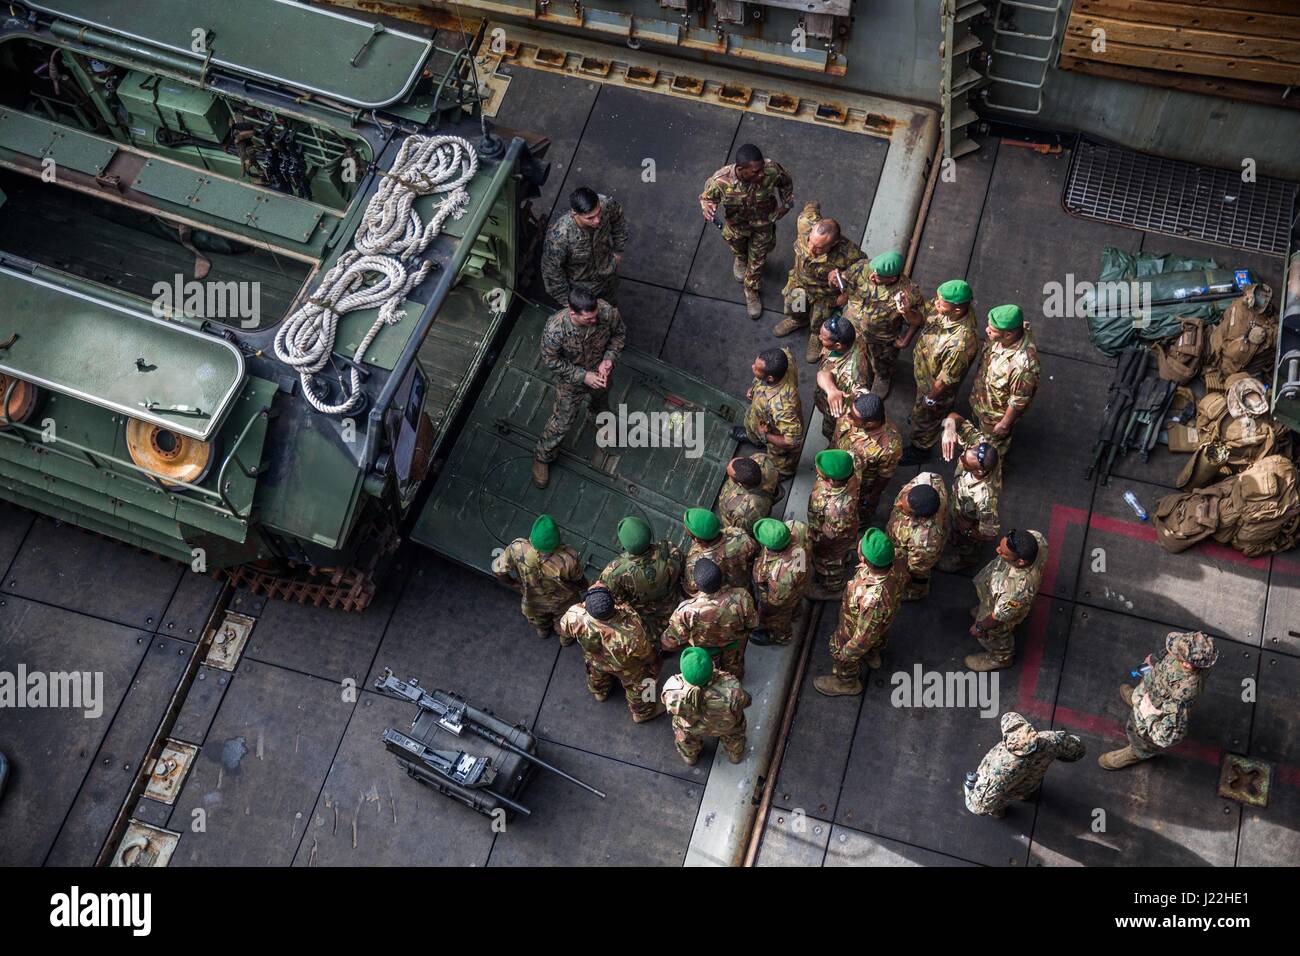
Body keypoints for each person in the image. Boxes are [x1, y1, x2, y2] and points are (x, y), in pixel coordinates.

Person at [533, 288, 626, 489]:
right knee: (562, 422)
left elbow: (619, 335)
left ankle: (599, 420)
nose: (594, 321)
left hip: (601, 374)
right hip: (572, 381)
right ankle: (543, 456)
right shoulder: (555, 329)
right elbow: (551, 360)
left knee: (601, 403)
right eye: (588, 319)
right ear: (572, 313)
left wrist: (609, 359)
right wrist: (583, 377)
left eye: (595, 317)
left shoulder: (606, 312)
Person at [698, 143, 795, 319]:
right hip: (737, 226)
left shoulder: (771, 169)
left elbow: (786, 183)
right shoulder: (721, 180)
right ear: (741, 169)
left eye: (761, 170)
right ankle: (741, 259)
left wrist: (786, 205)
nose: (761, 174)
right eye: (755, 172)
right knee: (739, 249)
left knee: (759, 259)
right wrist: (707, 206)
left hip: (763, 224)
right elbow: (707, 197)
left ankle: (751, 290)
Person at [1099, 631, 1218, 770]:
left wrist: (1150, 717)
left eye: (1179, 656)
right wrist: (1154, 661)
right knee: (1139, 695)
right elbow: (1166, 654)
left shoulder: (1184, 692)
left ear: (1188, 664)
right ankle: (1136, 699)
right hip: (1152, 689)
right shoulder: (1194, 652)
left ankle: (1139, 751)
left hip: (1157, 710)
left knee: (1142, 736)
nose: (1174, 654)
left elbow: (1167, 736)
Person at [556, 585, 665, 723]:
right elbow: (646, 656)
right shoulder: (630, 631)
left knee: (596, 673)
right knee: (646, 681)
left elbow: (564, 630)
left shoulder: (574, 615)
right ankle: (643, 712)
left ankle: (600, 692)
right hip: (627, 668)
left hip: (596, 660)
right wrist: (655, 663)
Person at [774, 201, 865, 363]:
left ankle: (816, 335)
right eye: (810, 241)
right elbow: (811, 206)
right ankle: (798, 320)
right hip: (800, 282)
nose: (811, 249)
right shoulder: (805, 222)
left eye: (819, 248)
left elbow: (863, 275)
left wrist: (846, 291)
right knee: (795, 305)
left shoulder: (849, 254)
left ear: (834, 244)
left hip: (824, 295)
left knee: (819, 318)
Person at [814, 529, 901, 696]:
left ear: (863, 559)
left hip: (857, 626)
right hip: (883, 618)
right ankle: (872, 655)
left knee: (840, 648)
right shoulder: (895, 560)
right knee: (878, 635)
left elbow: (863, 637)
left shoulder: (872, 600)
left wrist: (846, 654)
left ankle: (846, 683)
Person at [901, 279, 979, 465]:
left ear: (957, 310)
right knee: (922, 411)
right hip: (925, 374)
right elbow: (920, 319)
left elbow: (945, 380)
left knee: (927, 419)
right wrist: (906, 311)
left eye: (941, 302)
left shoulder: (961, 343)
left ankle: (921, 449)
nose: (935, 303)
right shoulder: (943, 308)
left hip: (935, 388)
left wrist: (930, 399)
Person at [963, 713, 1085, 817]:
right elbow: (1077, 750)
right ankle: (1025, 796)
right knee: (1025, 790)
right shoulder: (1050, 739)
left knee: (996, 806)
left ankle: (999, 813)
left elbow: (980, 806)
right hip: (1032, 783)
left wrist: (969, 791)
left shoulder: (1000, 769)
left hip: (1005, 792)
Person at [840, 250, 926, 397]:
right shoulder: (863, 267)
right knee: (849, 355)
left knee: (882, 362)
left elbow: (919, 320)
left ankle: (882, 377)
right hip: (852, 325)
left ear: (892, 278)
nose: (872, 276)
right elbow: (846, 279)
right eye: (873, 271)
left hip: (881, 338)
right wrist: (837, 284)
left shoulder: (908, 292)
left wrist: (905, 338)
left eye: (878, 276)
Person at [662, 558, 759, 680]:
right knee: (734, 670)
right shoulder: (741, 597)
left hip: (704, 655)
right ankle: (735, 681)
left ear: (696, 585)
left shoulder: (686, 611)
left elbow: (668, 643)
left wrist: (689, 646)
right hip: (733, 646)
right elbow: (752, 624)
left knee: (707, 676)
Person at [491, 514, 586, 638]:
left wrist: (513, 583)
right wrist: (586, 587)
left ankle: (543, 632)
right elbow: (579, 581)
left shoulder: (517, 548)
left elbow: (499, 571)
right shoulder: (568, 559)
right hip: (563, 601)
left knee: (538, 620)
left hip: (532, 600)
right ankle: (564, 638)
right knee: (567, 621)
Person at [968, 529, 1047, 672]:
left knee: (994, 635)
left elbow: (999, 617)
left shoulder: (1014, 592)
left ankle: (1001, 657)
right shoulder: (1036, 539)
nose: (997, 550)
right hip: (998, 597)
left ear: (1021, 561)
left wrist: (981, 627)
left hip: (1003, 611)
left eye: (1003, 552)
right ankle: (985, 607)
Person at [968, 304, 1041, 457]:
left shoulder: (1022, 366)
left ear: (1008, 335)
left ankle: (989, 472)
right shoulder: (1003, 336)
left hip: (995, 416)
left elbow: (1018, 400)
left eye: (992, 330)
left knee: (990, 452)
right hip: (983, 400)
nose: (987, 331)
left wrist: (1004, 424)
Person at [661, 646, 751, 766]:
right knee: (736, 730)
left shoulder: (672, 689)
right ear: (712, 666)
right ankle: (735, 754)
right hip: (725, 725)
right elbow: (745, 702)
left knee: (683, 733)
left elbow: (666, 704)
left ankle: (690, 757)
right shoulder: (731, 687)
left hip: (692, 727)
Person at [598, 516, 684, 642]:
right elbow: (681, 568)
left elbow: (613, 599)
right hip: (674, 605)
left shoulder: (614, 572)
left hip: (644, 616)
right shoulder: (669, 551)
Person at [540, 186, 628, 305]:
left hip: (608, 274)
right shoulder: (560, 237)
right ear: (574, 214)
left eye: (598, 213)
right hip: (583, 290)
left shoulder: (605, 204)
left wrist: (618, 250)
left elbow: (619, 220)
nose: (597, 220)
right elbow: (552, 272)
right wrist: (568, 302)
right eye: (590, 218)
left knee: (610, 307)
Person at [937, 413, 1001, 573]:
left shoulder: (985, 499)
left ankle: (965, 560)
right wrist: (949, 429)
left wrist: (967, 530)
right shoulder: (980, 446)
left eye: (964, 462)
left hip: (967, 522)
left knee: (966, 544)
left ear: (979, 471)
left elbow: (990, 534)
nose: (960, 460)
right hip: (958, 503)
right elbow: (954, 417)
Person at [732, 347, 804, 478]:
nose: (752, 367)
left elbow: (792, 441)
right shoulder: (782, 358)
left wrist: (765, 435)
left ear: (770, 378)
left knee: (780, 463)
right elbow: (762, 378)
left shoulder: (782, 406)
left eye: (756, 369)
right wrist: (754, 389)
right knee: (752, 427)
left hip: (775, 435)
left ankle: (781, 475)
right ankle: (754, 438)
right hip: (762, 417)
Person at [834, 391, 903, 528]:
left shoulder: (889, 446)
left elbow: (885, 475)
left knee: (860, 508)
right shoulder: (858, 400)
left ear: (870, 423)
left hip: (860, 482)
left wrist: (873, 495)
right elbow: (824, 374)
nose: (847, 416)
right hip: (838, 459)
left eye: (853, 417)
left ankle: (862, 524)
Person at [885, 473, 949, 601]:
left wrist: (902, 569)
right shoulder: (928, 480)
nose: (899, 504)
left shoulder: (925, 540)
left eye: (904, 509)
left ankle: (916, 592)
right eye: (905, 498)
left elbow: (917, 566)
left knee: (918, 576)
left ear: (920, 518)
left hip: (917, 556)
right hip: (901, 537)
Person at [807, 449, 860, 600]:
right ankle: (845, 557)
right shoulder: (851, 464)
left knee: (829, 562)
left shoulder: (836, 509)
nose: (817, 468)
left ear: (831, 481)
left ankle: (834, 587)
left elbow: (831, 535)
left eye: (820, 470)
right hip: (849, 526)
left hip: (834, 538)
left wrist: (819, 544)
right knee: (843, 550)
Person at [749, 516, 811, 646]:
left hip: (786, 595)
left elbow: (776, 602)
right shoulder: (797, 527)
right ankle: (796, 612)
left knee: (778, 617)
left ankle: (781, 636)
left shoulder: (777, 576)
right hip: (802, 580)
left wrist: (765, 610)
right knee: (796, 600)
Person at [814, 311, 873, 441]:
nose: (819, 338)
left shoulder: (851, 374)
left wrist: (831, 390)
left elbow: (823, 374)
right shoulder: (852, 334)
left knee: (831, 428)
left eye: (823, 338)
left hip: (837, 407)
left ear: (838, 345)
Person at [681, 507, 757, 595]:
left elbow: (693, 587)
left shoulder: (695, 563)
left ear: (697, 539)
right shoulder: (738, 534)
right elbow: (754, 549)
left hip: (726, 600)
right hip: (746, 586)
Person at [718, 456, 775, 534]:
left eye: (729, 475)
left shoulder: (740, 511)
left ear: (739, 484)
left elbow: (743, 532)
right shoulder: (763, 461)